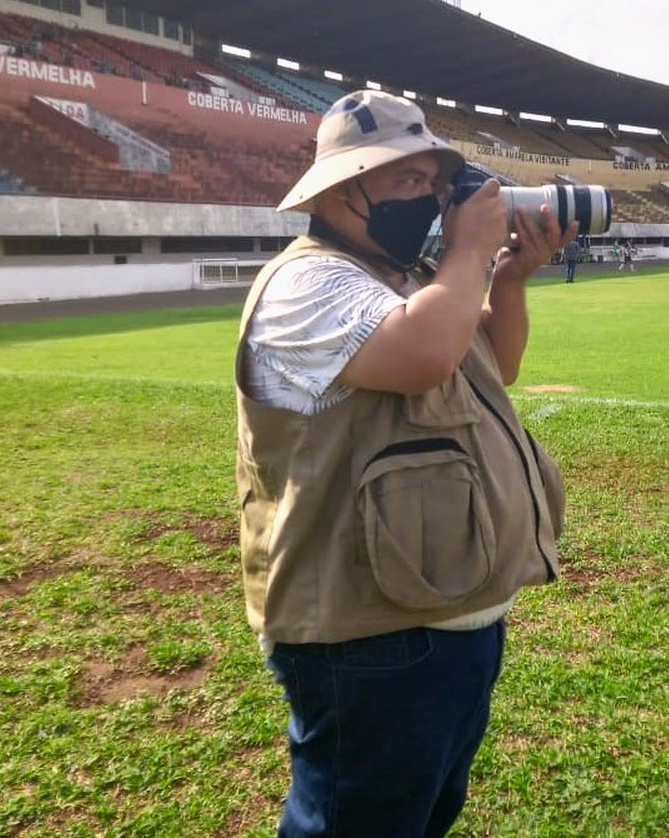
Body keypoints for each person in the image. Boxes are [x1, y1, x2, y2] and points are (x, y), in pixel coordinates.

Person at [235, 89, 575, 838]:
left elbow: (494, 365)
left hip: (441, 614)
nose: (428, 198)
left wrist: (507, 279)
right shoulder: (308, 282)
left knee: (420, 813)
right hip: (367, 638)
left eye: (432, 181)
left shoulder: (410, 277)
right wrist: (469, 252)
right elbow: (424, 356)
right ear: (341, 190)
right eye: (407, 180)